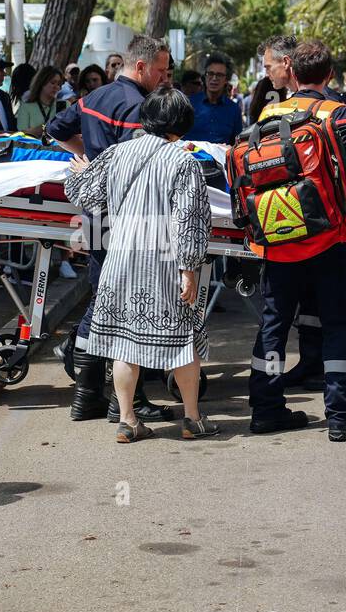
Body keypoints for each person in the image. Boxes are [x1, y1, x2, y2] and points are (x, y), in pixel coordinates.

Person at [64, 88, 217, 442]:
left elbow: (84, 193)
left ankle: (128, 421)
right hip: (164, 260)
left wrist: (82, 170)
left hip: (118, 259)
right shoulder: (183, 162)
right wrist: (189, 267)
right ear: (182, 123)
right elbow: (190, 220)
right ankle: (193, 419)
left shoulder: (117, 153)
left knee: (123, 342)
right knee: (182, 342)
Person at [246, 39, 346, 443]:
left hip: (280, 237)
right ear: (330, 76)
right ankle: (340, 415)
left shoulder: (269, 113)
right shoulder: (338, 112)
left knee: (273, 325)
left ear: (293, 74)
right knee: (337, 325)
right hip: (332, 238)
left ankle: (265, 409)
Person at [48, 34, 172, 423]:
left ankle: (88, 396)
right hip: (125, 219)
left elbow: (56, 127)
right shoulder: (138, 107)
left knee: (104, 298)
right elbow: (139, 168)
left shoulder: (94, 97)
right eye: (161, 70)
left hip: (96, 215)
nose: (165, 78)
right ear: (141, 67)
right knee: (130, 304)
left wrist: (84, 155)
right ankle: (128, 403)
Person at [186, 52, 243, 144]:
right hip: (189, 157)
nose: (214, 78)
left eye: (219, 75)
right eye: (210, 74)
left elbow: (237, 144)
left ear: (226, 80)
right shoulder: (189, 104)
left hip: (221, 158)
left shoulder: (234, 110)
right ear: (205, 76)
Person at [15, 65, 65, 138]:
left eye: (58, 84)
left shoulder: (64, 105)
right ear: (42, 82)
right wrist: (45, 128)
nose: (56, 87)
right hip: (34, 148)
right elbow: (21, 134)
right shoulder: (26, 107)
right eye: (53, 83)